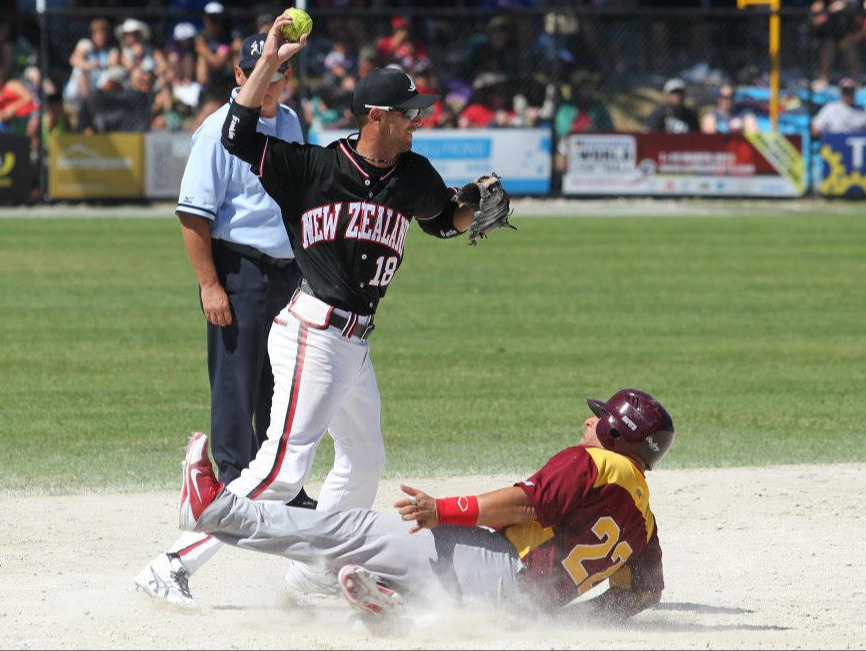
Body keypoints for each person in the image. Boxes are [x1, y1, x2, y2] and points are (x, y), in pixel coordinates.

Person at [138, 16, 509, 610]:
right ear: (376, 117)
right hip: (313, 332)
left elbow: (442, 220)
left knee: (365, 459)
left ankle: (318, 568)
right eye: (410, 112)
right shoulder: (312, 168)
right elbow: (236, 134)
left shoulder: (412, 174)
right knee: (281, 470)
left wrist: (471, 210)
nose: (420, 119)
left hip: (355, 346)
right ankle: (172, 563)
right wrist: (270, 61)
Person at [176, 388, 675, 619]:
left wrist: (446, 509)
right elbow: (644, 593)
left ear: (616, 433)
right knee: (403, 560)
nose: (589, 422)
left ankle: (215, 511)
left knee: (354, 530)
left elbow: (527, 505)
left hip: (498, 568)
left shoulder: (597, 463)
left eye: (599, 418)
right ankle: (403, 608)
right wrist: (566, 614)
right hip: (521, 606)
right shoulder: (645, 524)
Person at [134, 32, 314, 607]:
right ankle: (233, 484)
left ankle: (274, 486)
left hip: (286, 272)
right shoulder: (217, 131)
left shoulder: (288, 121)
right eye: (261, 73)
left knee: (282, 383)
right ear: (240, 77)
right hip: (239, 270)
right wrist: (210, 284)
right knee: (237, 388)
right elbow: (193, 216)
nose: (271, 84)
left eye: (281, 75)